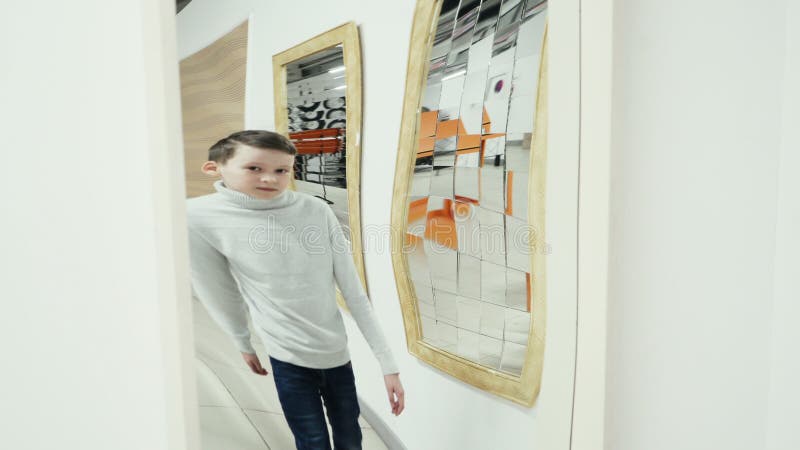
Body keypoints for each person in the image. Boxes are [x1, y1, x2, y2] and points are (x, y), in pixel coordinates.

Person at [187, 130, 404, 450]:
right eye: (254, 168)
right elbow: (216, 288)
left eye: (282, 170)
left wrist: (388, 366)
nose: (270, 179)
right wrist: (241, 340)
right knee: (312, 440)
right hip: (286, 358)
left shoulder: (316, 210)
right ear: (213, 168)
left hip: (336, 353)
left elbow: (355, 294)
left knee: (350, 437)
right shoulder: (199, 217)